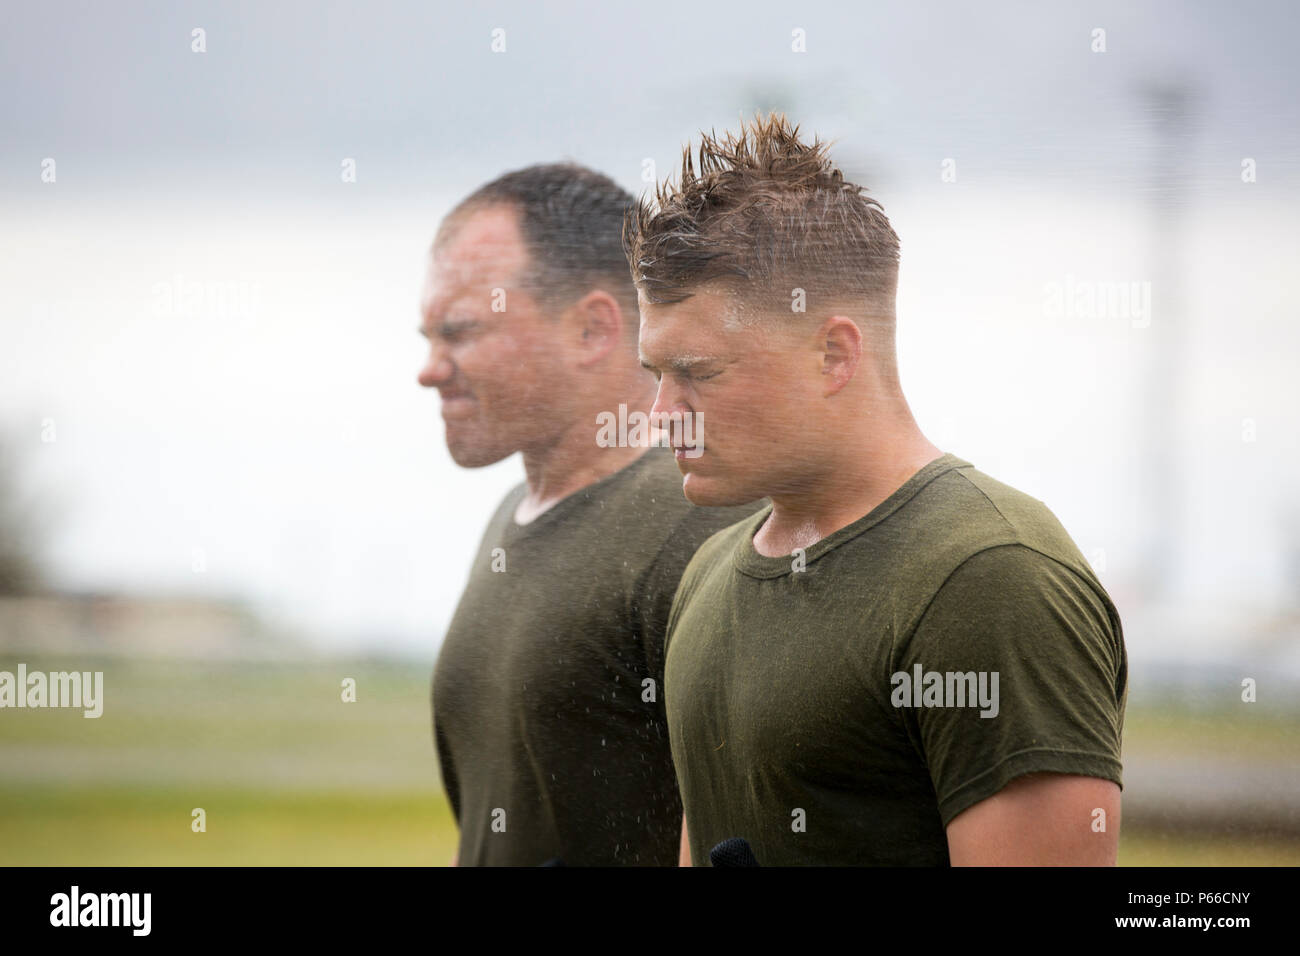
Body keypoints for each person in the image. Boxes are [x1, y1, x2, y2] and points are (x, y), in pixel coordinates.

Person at [625, 114, 1127, 866]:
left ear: (833, 353)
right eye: (655, 376)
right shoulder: (706, 578)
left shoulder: (992, 576)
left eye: (698, 373)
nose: (662, 417)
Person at [418, 162, 759, 866]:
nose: (429, 367)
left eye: (458, 331)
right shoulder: (515, 515)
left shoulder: (704, 521)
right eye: (427, 336)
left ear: (592, 329)